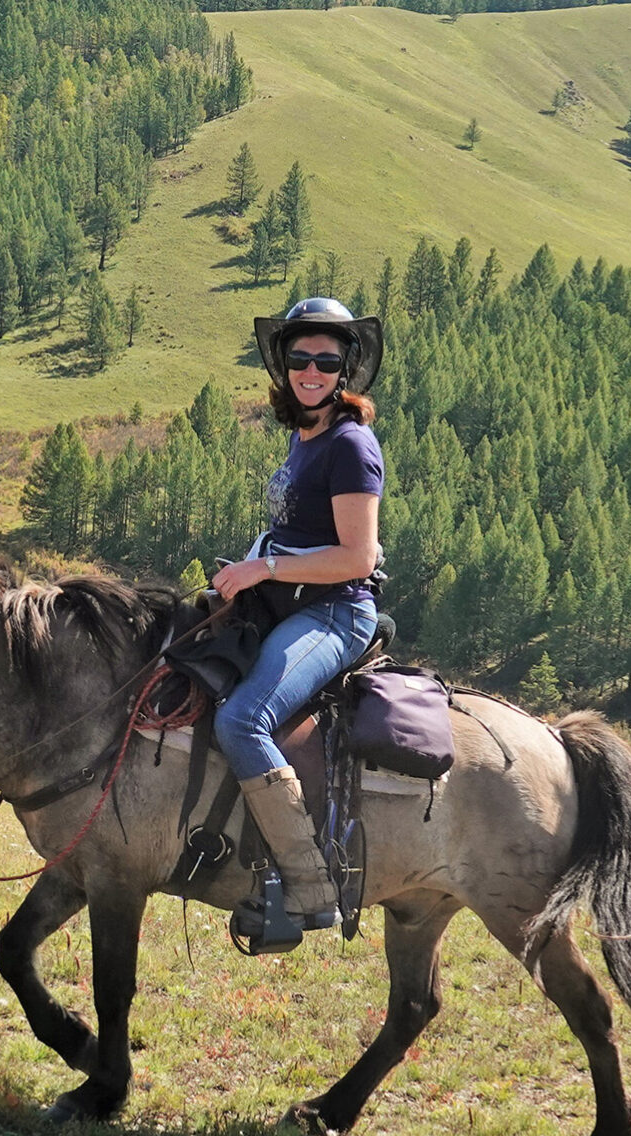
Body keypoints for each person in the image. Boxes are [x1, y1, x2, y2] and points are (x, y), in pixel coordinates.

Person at [210, 297, 385, 940]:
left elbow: (356, 556)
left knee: (242, 719)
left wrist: (266, 571)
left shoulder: (349, 443)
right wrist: (251, 563)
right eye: (300, 357)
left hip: (336, 612)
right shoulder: (304, 435)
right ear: (283, 365)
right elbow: (296, 529)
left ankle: (311, 888)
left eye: (326, 360)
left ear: (346, 369)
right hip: (288, 601)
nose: (311, 370)